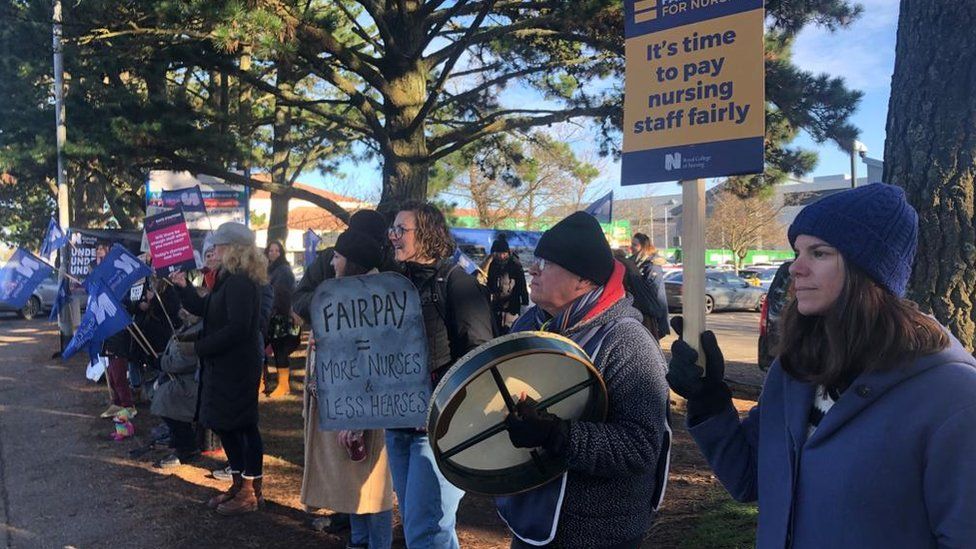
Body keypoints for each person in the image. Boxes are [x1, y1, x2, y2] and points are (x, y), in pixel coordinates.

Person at [668, 183, 976, 547]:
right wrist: (709, 402)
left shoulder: (953, 397)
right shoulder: (794, 371)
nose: (796, 268)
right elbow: (750, 478)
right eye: (797, 252)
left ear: (869, 273)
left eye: (819, 253)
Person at [494, 212, 671, 548]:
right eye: (536, 259)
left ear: (584, 281)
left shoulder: (627, 342)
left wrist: (556, 434)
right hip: (532, 523)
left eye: (546, 262)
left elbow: (641, 446)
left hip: (597, 534)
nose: (533, 268)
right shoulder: (532, 324)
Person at [386, 201, 494, 548]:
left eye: (401, 230)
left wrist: (442, 408)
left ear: (428, 233)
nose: (394, 237)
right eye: (393, 230)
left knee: (426, 530)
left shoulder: (456, 281)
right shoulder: (396, 285)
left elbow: (479, 354)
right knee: (423, 527)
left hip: (438, 431)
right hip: (398, 425)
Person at [292, 209, 391, 533]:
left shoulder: (383, 278)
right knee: (339, 461)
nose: (333, 263)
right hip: (329, 380)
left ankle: (366, 533)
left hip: (360, 392)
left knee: (367, 473)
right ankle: (347, 520)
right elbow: (301, 300)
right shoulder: (328, 263)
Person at [169, 222, 268, 516]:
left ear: (234, 250)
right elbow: (206, 310)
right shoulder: (227, 279)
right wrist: (184, 289)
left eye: (219, 246)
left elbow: (238, 329)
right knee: (226, 425)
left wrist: (200, 347)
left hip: (237, 366)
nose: (214, 251)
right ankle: (239, 485)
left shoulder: (240, 282)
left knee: (242, 426)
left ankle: (250, 491)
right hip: (224, 364)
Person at [264, 240, 299, 398]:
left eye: (276, 250)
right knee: (262, 349)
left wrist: (277, 311)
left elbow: (282, 295)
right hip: (269, 315)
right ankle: (262, 383)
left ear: (281, 253)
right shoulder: (268, 269)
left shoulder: (283, 270)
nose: (273, 253)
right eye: (270, 250)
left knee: (280, 350)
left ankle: (283, 385)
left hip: (280, 316)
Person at [485, 234, 529, 333]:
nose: (501, 256)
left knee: (509, 330)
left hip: (511, 305)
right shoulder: (492, 265)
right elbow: (489, 283)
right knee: (496, 330)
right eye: (498, 253)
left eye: (504, 253)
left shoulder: (515, 264)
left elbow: (522, 284)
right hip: (496, 305)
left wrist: (524, 302)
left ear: (508, 252)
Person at [629, 233, 669, 338]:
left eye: (634, 245)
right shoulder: (634, 263)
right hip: (641, 312)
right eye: (631, 244)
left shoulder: (652, 266)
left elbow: (657, 293)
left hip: (649, 315)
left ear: (644, 247)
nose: (631, 248)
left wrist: (661, 321)